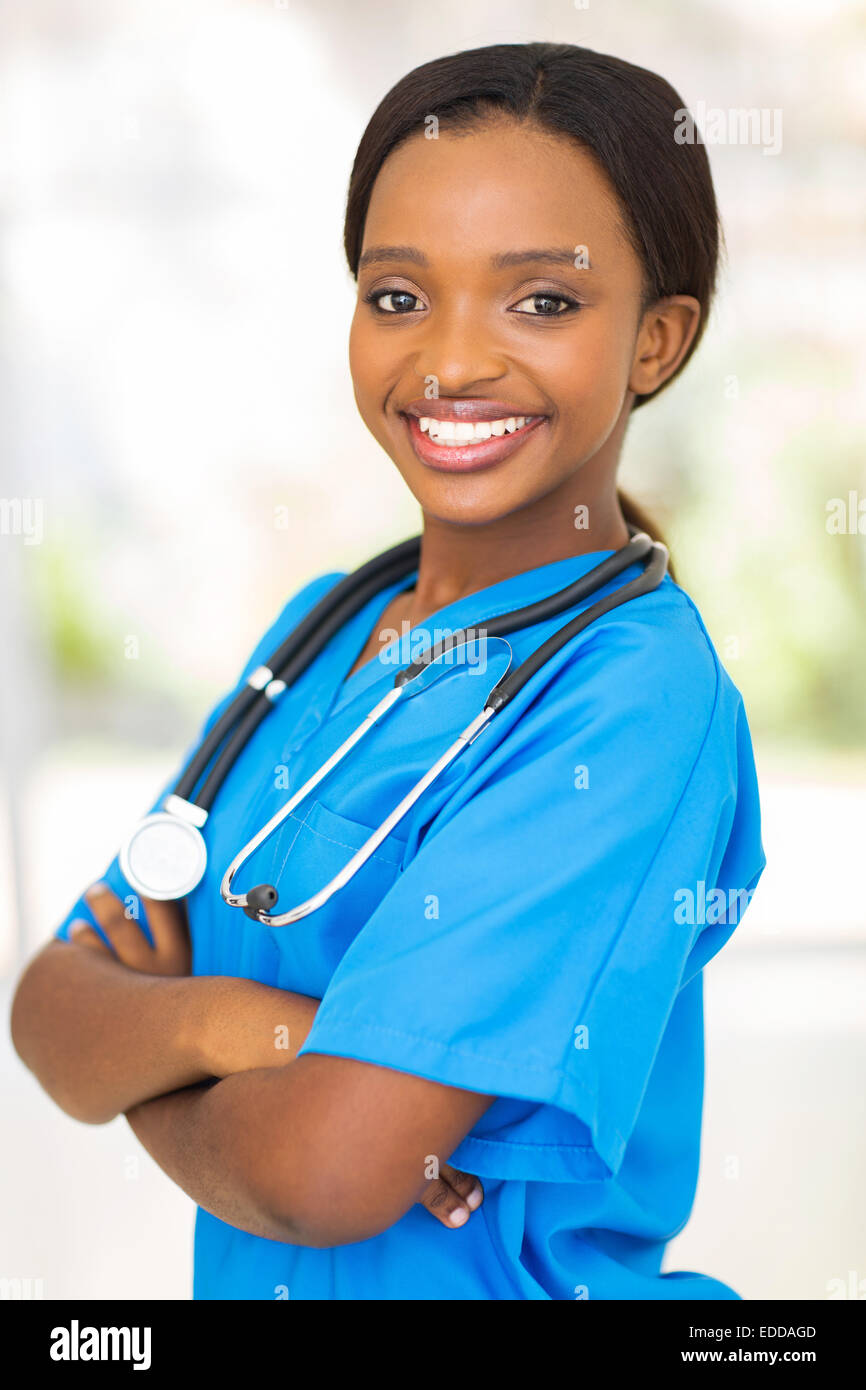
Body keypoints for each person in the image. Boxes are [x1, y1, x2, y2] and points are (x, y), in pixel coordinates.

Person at [11, 41, 766, 1300]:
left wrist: (146, 1065)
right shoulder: (324, 628)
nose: (452, 362)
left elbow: (328, 1174)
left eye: (541, 301)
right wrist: (234, 1029)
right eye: (398, 295)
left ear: (655, 339)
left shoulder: (627, 698)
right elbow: (47, 1010)